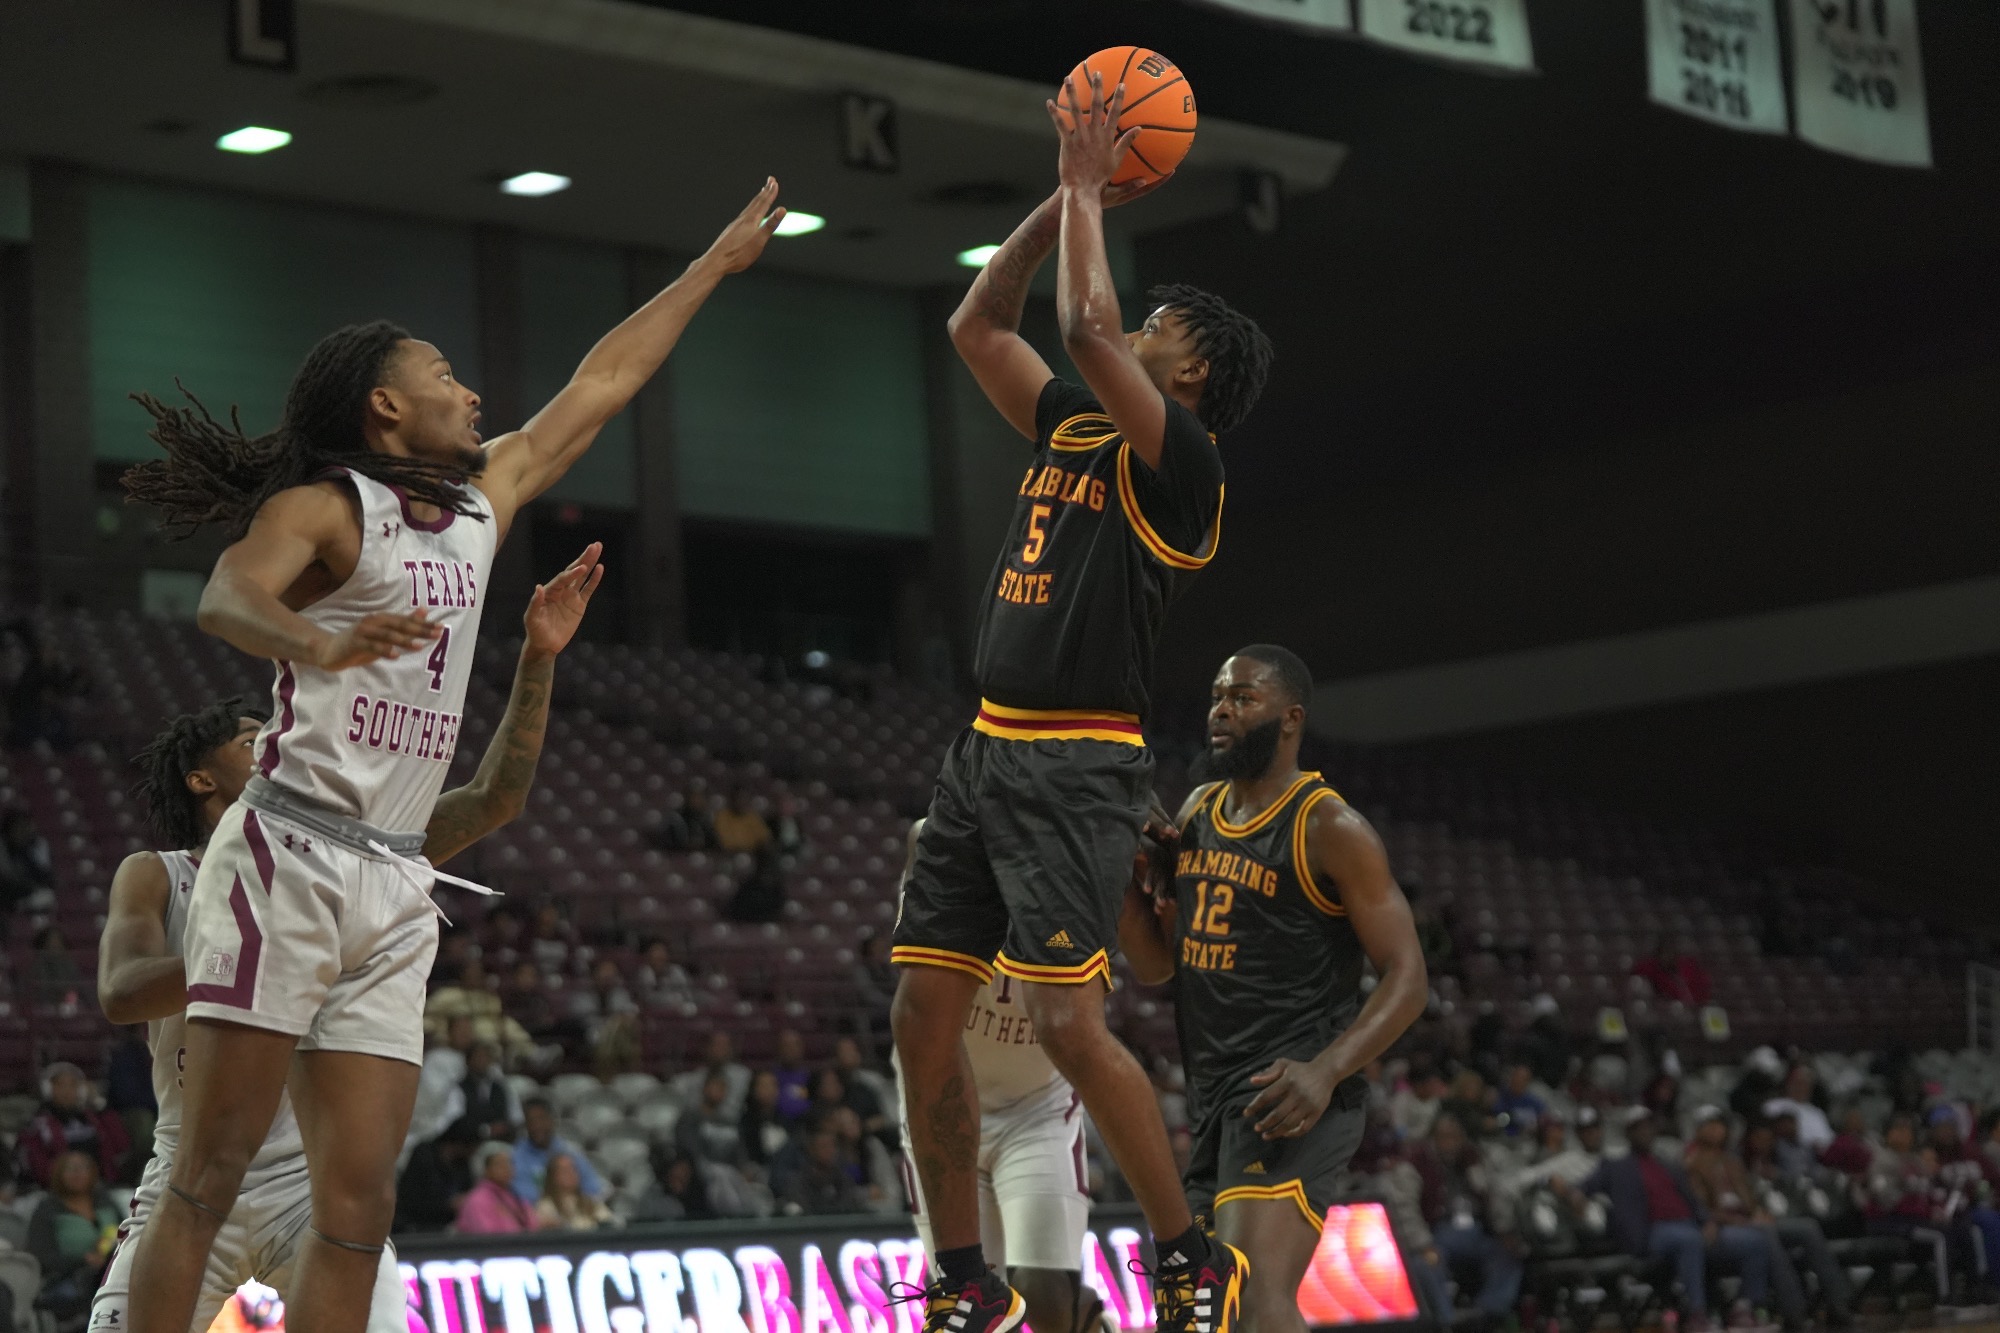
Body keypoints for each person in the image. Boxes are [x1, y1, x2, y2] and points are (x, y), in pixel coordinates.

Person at [116, 181, 780, 1333]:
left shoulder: (483, 500)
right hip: (291, 852)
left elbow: (605, 383)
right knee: (208, 1175)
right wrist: (313, 637)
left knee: (357, 1211)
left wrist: (711, 267)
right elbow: (229, 595)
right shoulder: (328, 508)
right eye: (444, 376)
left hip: (395, 876)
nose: (472, 393)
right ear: (384, 404)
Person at [893, 69, 1274, 1333]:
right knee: (919, 1013)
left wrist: (1085, 185)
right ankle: (961, 1276)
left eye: (1165, 319)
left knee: (1066, 1020)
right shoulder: (1070, 433)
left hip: (1078, 759)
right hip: (983, 750)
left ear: (1196, 368)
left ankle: (1183, 1251)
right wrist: (1055, 211)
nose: (1138, 321)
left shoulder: (1185, 468)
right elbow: (976, 326)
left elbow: (1090, 334)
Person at [93, 562, 594, 1333]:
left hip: (309, 1183)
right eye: (246, 737)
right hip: (192, 1170)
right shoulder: (158, 875)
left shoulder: (345, 858)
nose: (268, 739)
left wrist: (539, 657)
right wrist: (266, 947)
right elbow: (123, 993)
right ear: (201, 778)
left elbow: (497, 798)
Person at [1120, 646, 1427, 1333]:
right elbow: (1155, 966)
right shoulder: (1197, 808)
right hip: (1212, 1094)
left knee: (1257, 1304)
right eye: (1216, 695)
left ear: (1290, 719)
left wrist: (1326, 1070)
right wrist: (1120, 867)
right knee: (1201, 1316)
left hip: (1293, 1088)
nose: (1222, 710)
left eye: (1243, 697)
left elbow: (1409, 977)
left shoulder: (1329, 826)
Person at [897, 820, 1110, 1333]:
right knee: (970, 1309)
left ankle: (1076, 1313)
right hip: (943, 1107)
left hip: (1037, 1108)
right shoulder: (936, 844)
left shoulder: (1083, 868)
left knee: (1043, 1295)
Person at [1557, 1109, 1771, 1332]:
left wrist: (1708, 1221)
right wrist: (1575, 1196)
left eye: (1649, 1126)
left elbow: (1693, 1200)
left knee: (1753, 1241)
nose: (1646, 1132)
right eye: (1639, 1127)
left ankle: (1744, 1308)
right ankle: (1696, 1315)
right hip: (1652, 1231)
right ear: (1629, 1133)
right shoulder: (1615, 1166)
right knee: (1689, 1240)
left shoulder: (1667, 1164)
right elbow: (1582, 1188)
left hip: (1691, 1226)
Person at [1684, 1107, 1848, 1329]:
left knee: (1807, 1228)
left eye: (1719, 1125)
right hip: (1724, 1226)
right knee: (1766, 1235)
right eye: (1710, 1125)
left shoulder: (1732, 1161)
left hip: (1749, 1219)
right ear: (1698, 1130)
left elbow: (1749, 1199)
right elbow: (1701, 1210)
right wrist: (1743, 1221)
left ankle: (1840, 1305)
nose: (1716, 1130)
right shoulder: (1691, 1164)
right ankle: (1796, 1312)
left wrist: (1759, 1213)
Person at [1408, 1114, 1522, 1324]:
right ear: (1434, 1139)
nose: (1450, 1143)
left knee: (1509, 1254)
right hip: (1439, 1234)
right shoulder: (1418, 1163)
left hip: (1477, 1231)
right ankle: (1445, 1321)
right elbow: (1407, 1209)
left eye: (1455, 1137)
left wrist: (1504, 1229)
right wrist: (1423, 1243)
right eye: (1444, 1137)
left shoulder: (1474, 1159)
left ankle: (1487, 1315)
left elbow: (1495, 1195)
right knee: (1424, 1263)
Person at [26, 1150, 122, 1321]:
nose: (78, 1173)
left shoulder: (104, 1200)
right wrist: (83, 1260)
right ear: (59, 1174)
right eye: (71, 1169)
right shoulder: (47, 1210)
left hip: (115, 1272)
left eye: (83, 1167)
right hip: (69, 1278)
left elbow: (127, 1231)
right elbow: (40, 1255)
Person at [15, 1060, 131, 1189]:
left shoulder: (95, 1118)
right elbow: (37, 1167)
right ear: (47, 1089)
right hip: (59, 1190)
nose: (67, 1091)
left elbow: (122, 1146)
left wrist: (99, 1104)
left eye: (73, 1085)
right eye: (60, 1085)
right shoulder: (36, 1125)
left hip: (102, 1186)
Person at [512, 1099, 607, 1205]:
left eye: (541, 1119)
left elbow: (593, 1187)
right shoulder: (516, 1156)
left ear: (552, 1120)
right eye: (531, 1121)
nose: (537, 1126)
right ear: (525, 1124)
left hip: (573, 1212)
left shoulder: (570, 1151)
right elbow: (522, 1196)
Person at [395, 1117, 480, 1233]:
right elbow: (411, 1200)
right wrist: (447, 1204)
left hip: (449, 1225)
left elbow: (468, 1191)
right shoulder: (424, 1156)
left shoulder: (463, 1164)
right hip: (415, 1224)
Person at [455, 1143, 542, 1235]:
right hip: (496, 1248)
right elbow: (487, 1238)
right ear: (486, 1169)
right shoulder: (477, 1200)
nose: (507, 1168)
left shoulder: (515, 1196)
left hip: (523, 1247)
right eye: (500, 1164)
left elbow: (533, 1225)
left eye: (509, 1163)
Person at [670, 1031, 753, 1120]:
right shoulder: (692, 1079)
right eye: (716, 1045)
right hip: (699, 1126)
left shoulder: (744, 1076)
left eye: (725, 1046)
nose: (720, 1050)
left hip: (734, 1125)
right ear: (706, 1048)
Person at [534, 1153, 616, 1231]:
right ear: (553, 1176)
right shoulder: (545, 1206)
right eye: (564, 1170)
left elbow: (608, 1224)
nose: (570, 1173)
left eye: (573, 1169)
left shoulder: (590, 1202)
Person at [1631, 935, 1710, 1006]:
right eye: (1665, 954)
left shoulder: (1685, 968)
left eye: (1671, 954)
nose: (1668, 957)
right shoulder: (1653, 969)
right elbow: (1638, 969)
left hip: (1690, 1007)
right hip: (1666, 1007)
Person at [1493, 1061, 1547, 1139]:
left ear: (1527, 1082)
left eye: (1522, 1079)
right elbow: (1496, 1118)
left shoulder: (1534, 1102)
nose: (1518, 1081)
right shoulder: (1500, 1095)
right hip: (1501, 1137)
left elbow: (1543, 1119)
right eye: (1516, 1077)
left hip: (1525, 1140)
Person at [714, 786, 774, 856]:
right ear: (732, 800)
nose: (741, 802)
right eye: (739, 799)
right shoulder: (722, 816)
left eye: (744, 799)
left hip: (753, 854)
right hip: (731, 855)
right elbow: (725, 842)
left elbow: (764, 837)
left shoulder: (752, 817)